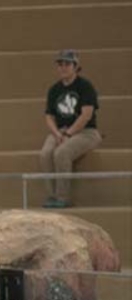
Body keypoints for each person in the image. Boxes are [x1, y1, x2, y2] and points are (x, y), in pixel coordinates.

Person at [40, 49, 102, 208]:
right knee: (46, 153)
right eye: (60, 64)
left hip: (86, 132)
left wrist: (68, 134)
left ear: (75, 66)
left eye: (67, 64)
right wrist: (57, 134)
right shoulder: (54, 90)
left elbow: (86, 115)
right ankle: (51, 196)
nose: (63, 67)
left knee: (62, 152)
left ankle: (63, 197)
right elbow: (49, 117)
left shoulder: (85, 86)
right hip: (61, 131)